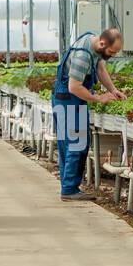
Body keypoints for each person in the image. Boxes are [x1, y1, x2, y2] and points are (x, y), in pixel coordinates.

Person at [51, 27, 125, 201]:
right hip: (68, 99)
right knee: (76, 143)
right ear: (102, 43)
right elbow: (74, 86)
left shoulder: (93, 41)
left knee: (71, 143)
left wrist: (113, 90)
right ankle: (69, 189)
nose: (112, 55)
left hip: (68, 99)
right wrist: (99, 98)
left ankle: (68, 187)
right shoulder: (83, 56)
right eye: (111, 52)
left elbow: (100, 70)